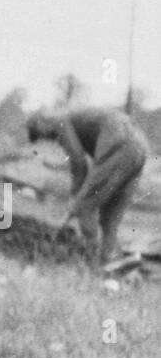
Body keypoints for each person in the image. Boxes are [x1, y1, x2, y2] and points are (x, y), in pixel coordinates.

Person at [27, 107, 149, 265]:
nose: (49, 138)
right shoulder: (74, 118)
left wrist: (75, 199)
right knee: (110, 216)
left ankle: (91, 260)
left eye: (41, 134)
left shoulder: (59, 121)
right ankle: (108, 262)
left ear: (42, 122)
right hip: (139, 146)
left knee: (85, 206)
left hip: (119, 141)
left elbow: (78, 163)